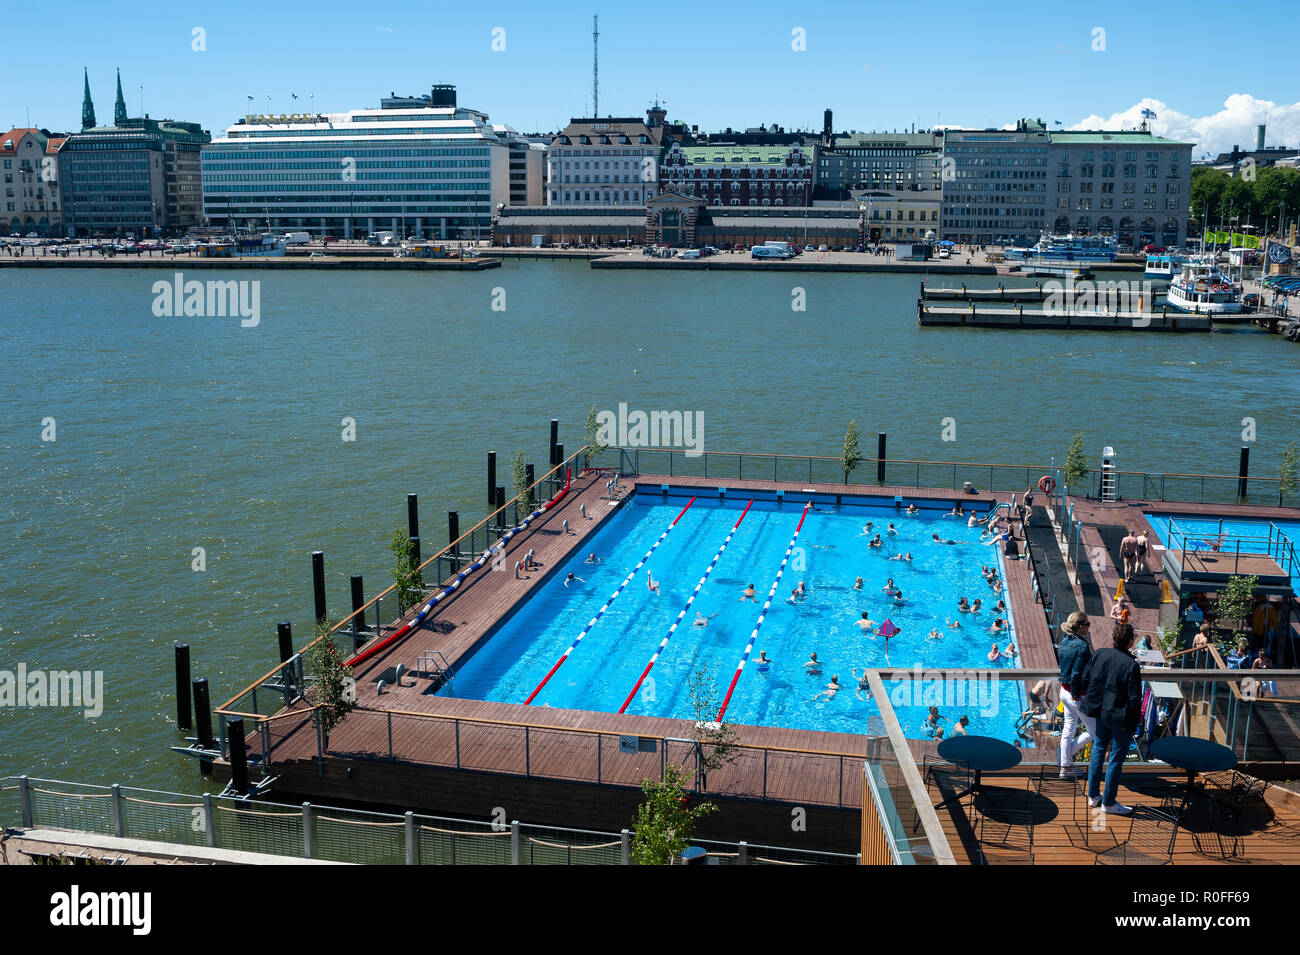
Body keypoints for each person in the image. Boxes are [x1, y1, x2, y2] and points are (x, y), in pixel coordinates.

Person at [1080, 622, 1143, 815]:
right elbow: (1134, 699)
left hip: (1101, 711)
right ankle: (1109, 802)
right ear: (1130, 642)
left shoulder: (1100, 654)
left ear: (1114, 638)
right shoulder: (1131, 665)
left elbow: (1085, 678)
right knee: (1115, 758)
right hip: (1120, 716)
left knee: (1098, 749)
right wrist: (1136, 721)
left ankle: (1093, 796)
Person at [1056, 611, 1095, 779]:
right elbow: (1077, 673)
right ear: (1081, 627)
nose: (1089, 627)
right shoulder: (1083, 646)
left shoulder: (1065, 642)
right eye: (1088, 624)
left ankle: (1065, 766)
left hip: (1063, 691)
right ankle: (1063, 758)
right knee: (1094, 731)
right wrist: (1076, 694)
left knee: (1069, 729)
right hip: (1076, 694)